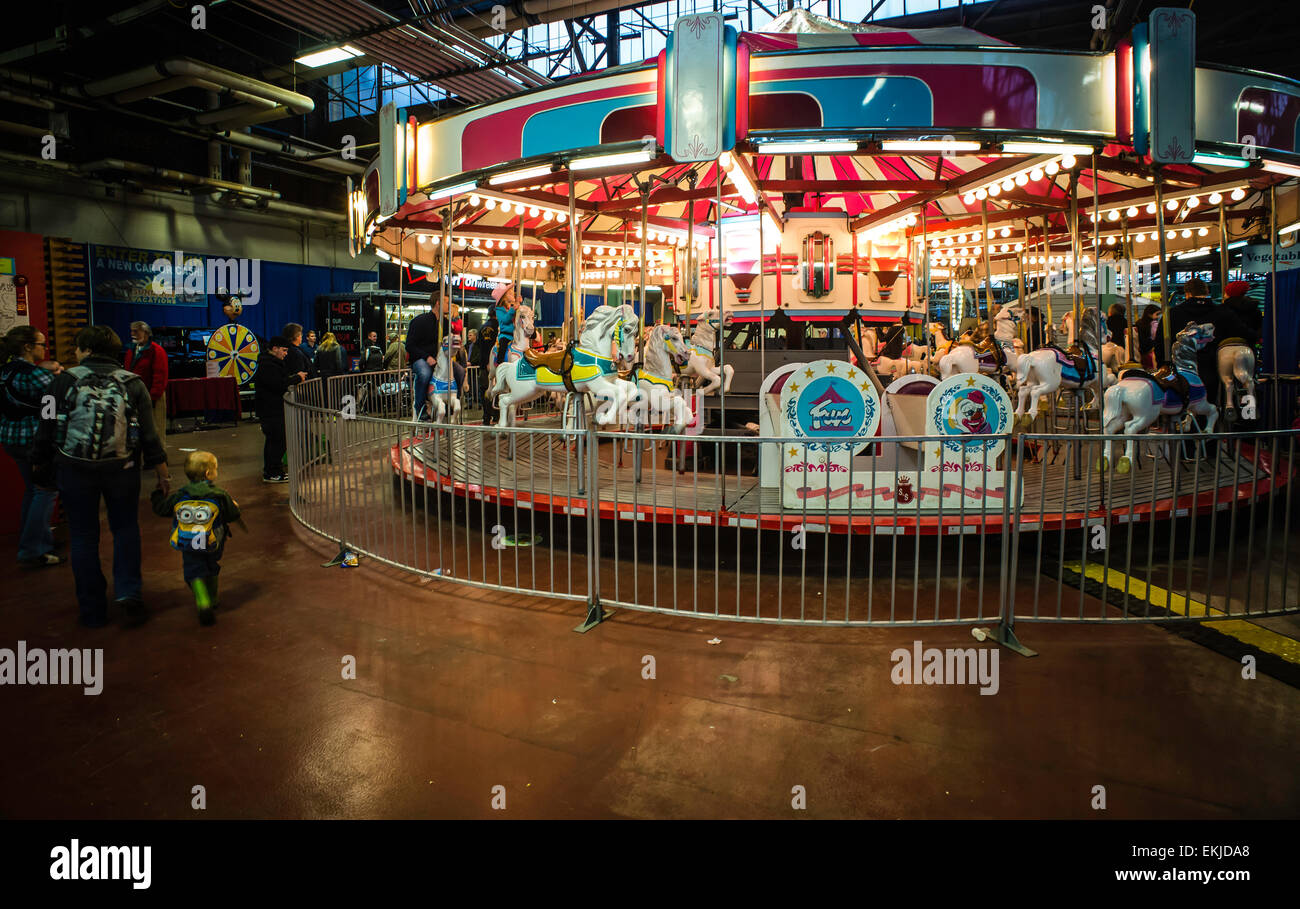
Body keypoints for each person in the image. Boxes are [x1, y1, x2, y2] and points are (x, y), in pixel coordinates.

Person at [31, 325, 170, 628]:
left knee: (83, 537)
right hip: (122, 470)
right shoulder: (133, 384)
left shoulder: (61, 381)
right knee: (125, 529)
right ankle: (129, 593)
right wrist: (162, 472)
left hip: (74, 469)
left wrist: (40, 462)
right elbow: (149, 434)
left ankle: (92, 609)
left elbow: (45, 423)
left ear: (87, 350)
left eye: (78, 348)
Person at [151, 450, 245, 626]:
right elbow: (232, 515)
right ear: (209, 474)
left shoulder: (181, 495)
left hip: (189, 542)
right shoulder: (219, 494)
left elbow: (162, 509)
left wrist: (156, 496)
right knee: (211, 566)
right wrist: (235, 507)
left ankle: (203, 601)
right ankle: (214, 598)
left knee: (193, 571)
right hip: (212, 541)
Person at [0, 326, 63, 568]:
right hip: (34, 439)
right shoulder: (36, 376)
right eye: (41, 344)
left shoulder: (5, 371)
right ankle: (32, 550)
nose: (44, 349)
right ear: (27, 347)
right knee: (46, 491)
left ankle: (36, 539)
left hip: (10, 438)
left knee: (32, 489)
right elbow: (52, 410)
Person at [254, 336, 306, 483]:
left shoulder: (271, 363)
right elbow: (277, 384)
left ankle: (274, 470)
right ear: (275, 348)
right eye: (283, 350)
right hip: (270, 410)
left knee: (277, 441)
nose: (285, 353)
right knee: (276, 441)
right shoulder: (268, 365)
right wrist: (296, 378)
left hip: (273, 409)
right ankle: (271, 472)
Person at [124, 321, 169, 457]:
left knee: (156, 430)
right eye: (132, 331)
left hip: (152, 397)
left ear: (146, 333)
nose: (133, 334)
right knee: (138, 430)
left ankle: (159, 459)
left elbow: (160, 376)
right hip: (134, 397)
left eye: (136, 331)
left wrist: (153, 397)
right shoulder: (131, 350)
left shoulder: (156, 350)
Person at [404, 305, 441, 420]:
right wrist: (427, 357)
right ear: (438, 303)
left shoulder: (445, 322)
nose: (449, 305)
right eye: (446, 302)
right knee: (424, 373)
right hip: (420, 358)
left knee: (459, 371)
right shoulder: (420, 321)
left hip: (439, 358)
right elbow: (409, 345)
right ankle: (420, 407)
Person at [492, 282, 519, 369]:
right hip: (505, 335)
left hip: (514, 335)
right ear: (504, 297)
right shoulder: (499, 310)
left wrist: (518, 303)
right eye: (510, 293)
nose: (513, 294)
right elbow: (505, 320)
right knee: (503, 345)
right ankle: (499, 363)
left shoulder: (510, 308)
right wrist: (512, 310)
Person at [1136, 304, 1161, 370]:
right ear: (1150, 314)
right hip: (1150, 352)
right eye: (1157, 314)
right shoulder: (1154, 324)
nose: (1159, 316)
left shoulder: (1139, 323)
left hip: (1141, 353)